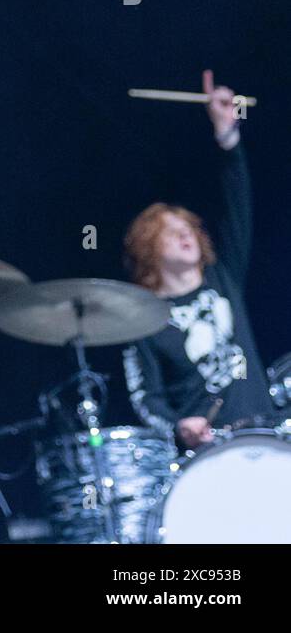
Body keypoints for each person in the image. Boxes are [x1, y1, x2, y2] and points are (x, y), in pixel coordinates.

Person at [121, 70, 275, 450]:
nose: (185, 235)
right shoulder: (144, 319)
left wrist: (227, 137)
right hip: (208, 452)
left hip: (264, 433)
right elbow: (146, 398)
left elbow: (237, 204)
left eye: (187, 228)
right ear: (148, 249)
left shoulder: (222, 278)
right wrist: (179, 426)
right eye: (170, 232)